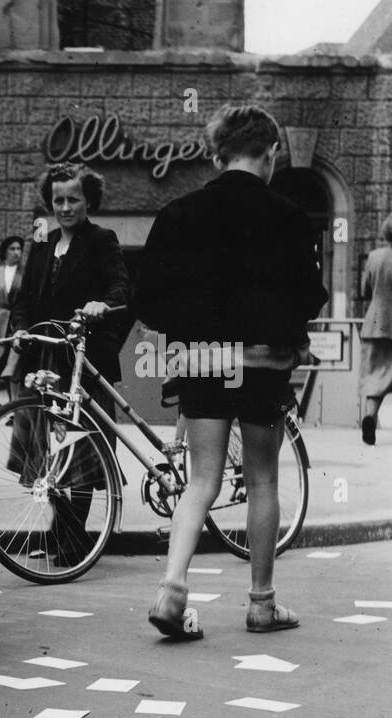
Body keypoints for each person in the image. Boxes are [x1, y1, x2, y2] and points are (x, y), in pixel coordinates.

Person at [134, 104, 327, 638]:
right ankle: (261, 604)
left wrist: (193, 333)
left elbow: (147, 298)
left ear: (217, 155)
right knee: (263, 479)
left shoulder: (178, 213)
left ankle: (172, 593)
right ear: (270, 155)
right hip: (263, 364)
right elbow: (310, 295)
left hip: (201, 362)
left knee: (202, 479)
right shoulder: (288, 216)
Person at [10, 162, 131, 562]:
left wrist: (102, 304)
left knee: (78, 450)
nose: (64, 207)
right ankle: (59, 531)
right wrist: (23, 328)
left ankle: (73, 536)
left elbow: (120, 287)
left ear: (88, 200)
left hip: (82, 357)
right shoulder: (42, 246)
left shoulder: (101, 240)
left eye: (73, 199)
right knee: (47, 451)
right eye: (58, 199)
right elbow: (23, 299)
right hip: (44, 357)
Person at [358, 215, 392, 445]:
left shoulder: (375, 257)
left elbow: (364, 290)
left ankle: (370, 416)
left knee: (375, 376)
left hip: (376, 322)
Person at [0, 235, 25, 401]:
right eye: (13, 249)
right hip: (0, 326)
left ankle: (15, 407)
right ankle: (12, 406)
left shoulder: (26, 272)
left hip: (19, 324)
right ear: (4, 252)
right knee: (2, 367)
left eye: (19, 249)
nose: (17, 253)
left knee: (14, 367)